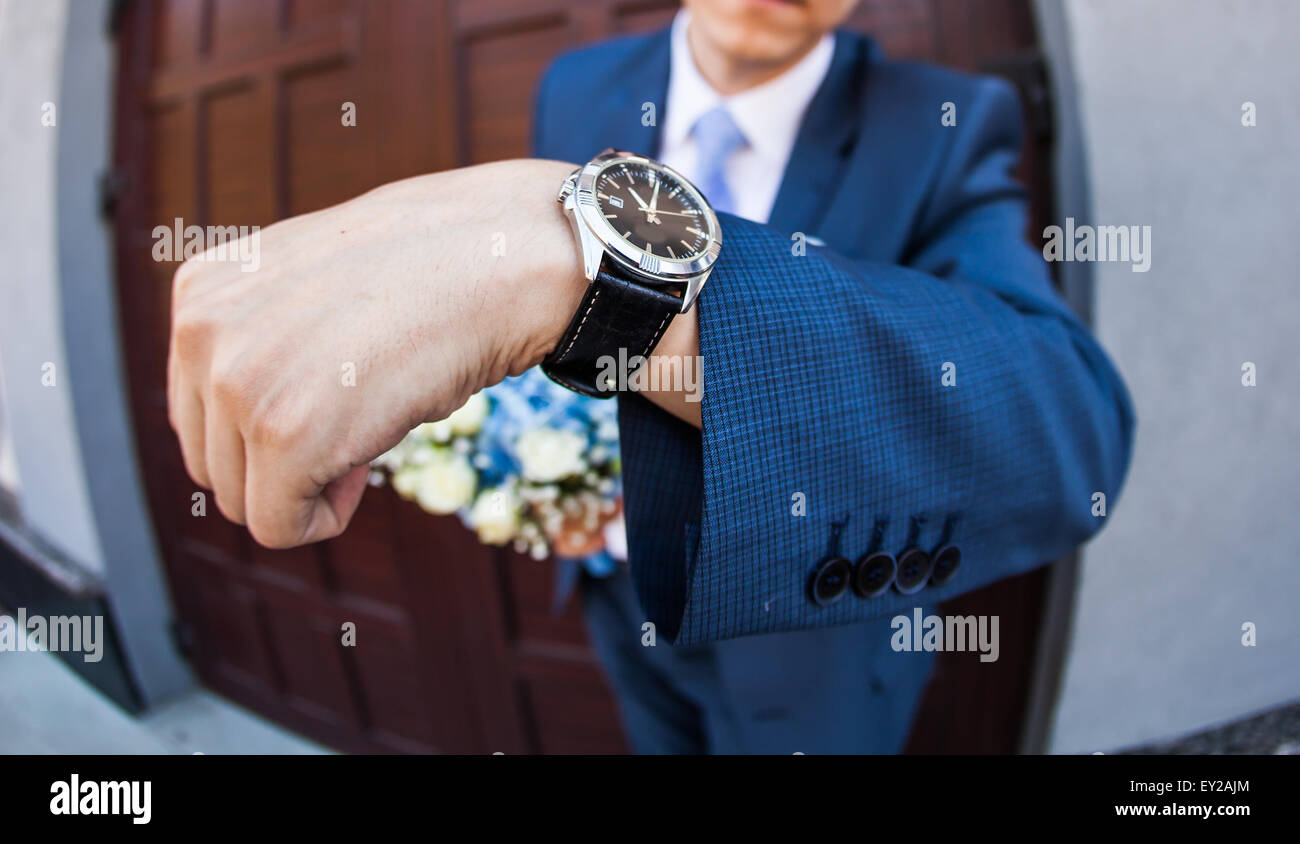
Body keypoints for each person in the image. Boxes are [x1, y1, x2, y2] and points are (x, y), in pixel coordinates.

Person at [166, 0, 1134, 754]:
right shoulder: (579, 82)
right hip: (615, 591)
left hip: (816, 642)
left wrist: (582, 277)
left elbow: (1067, 427)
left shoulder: (941, 123)